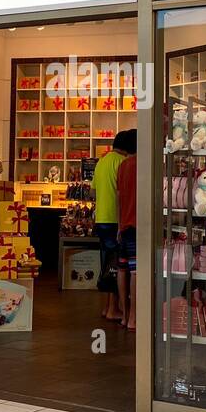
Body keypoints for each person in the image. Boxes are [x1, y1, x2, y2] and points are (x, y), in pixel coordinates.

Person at [92, 129, 134, 322]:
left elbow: (93, 191)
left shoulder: (102, 161)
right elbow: (121, 193)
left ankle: (107, 307)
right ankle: (113, 309)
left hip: (101, 218)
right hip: (115, 219)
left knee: (108, 264)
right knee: (118, 266)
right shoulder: (122, 162)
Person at [115, 129, 138, 331]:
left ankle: (124, 314)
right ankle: (134, 318)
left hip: (124, 224)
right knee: (136, 271)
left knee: (122, 269)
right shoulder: (143, 165)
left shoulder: (122, 166)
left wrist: (119, 224)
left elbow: (119, 197)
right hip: (138, 224)